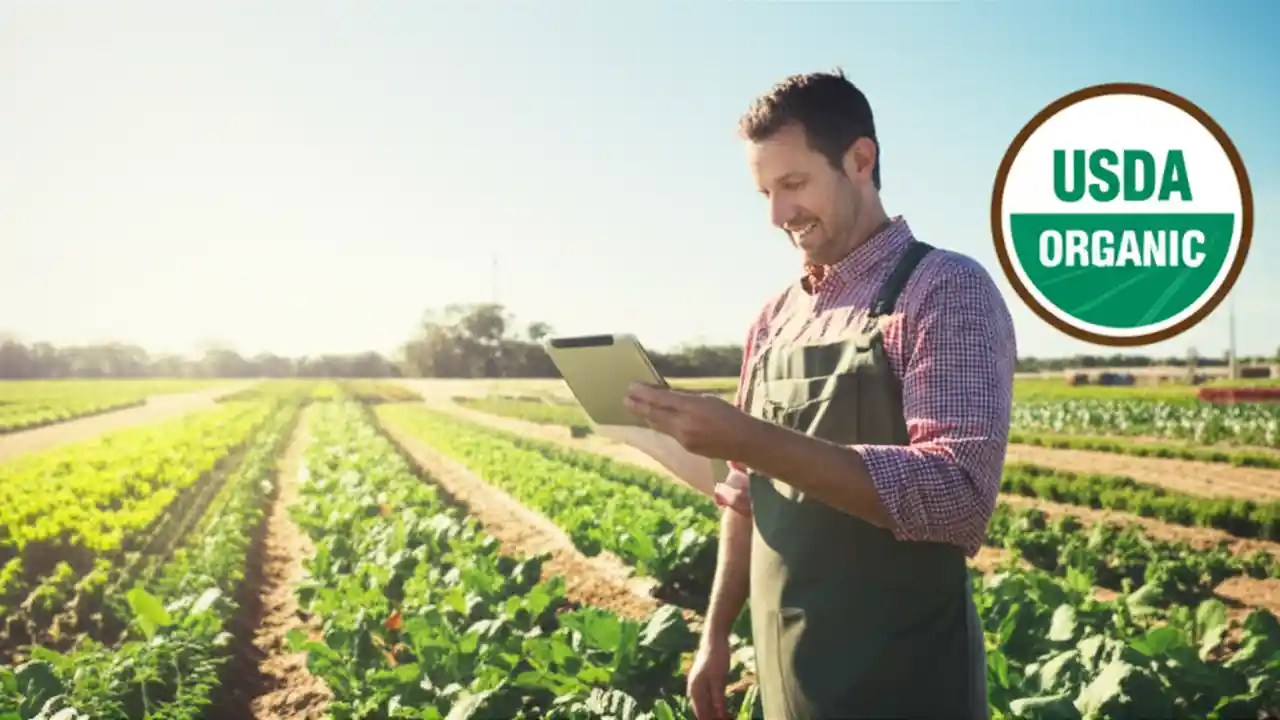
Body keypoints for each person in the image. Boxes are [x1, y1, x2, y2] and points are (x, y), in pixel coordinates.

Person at [623, 69, 1016, 719]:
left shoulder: (942, 289)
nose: (778, 214)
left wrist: (747, 437)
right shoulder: (775, 316)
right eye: (765, 192)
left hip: (903, 678)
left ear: (860, 160)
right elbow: (747, 496)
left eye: (795, 184)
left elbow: (957, 497)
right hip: (788, 668)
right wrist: (717, 635)